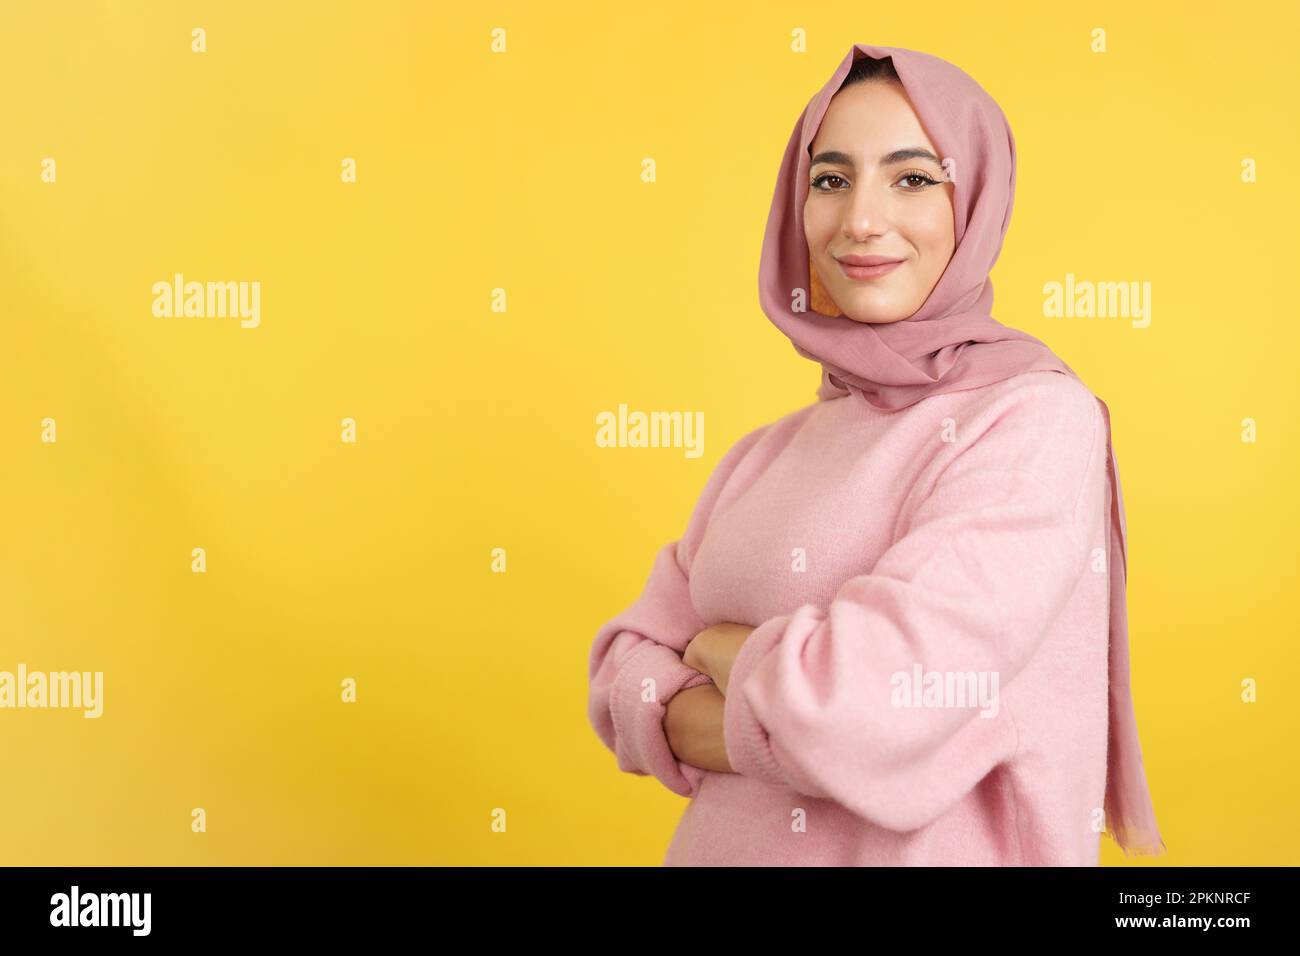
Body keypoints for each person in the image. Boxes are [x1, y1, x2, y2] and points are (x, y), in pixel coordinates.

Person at [586, 42, 1165, 866]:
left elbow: (873, 702)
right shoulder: (767, 452)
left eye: (914, 178)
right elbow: (619, 673)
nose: (860, 219)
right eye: (830, 179)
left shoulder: (1035, 420)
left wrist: (719, 653)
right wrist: (790, 707)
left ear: (977, 201)